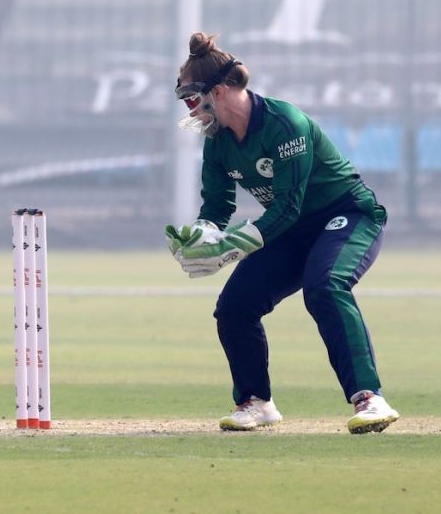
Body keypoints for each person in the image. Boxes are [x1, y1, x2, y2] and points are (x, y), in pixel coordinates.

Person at [164, 32, 399, 435]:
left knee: (324, 286)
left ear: (218, 92)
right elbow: (218, 208)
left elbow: (288, 205)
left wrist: (233, 246)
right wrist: (202, 235)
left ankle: (369, 398)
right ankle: (256, 402)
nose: (191, 111)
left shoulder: (284, 124)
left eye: (192, 99)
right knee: (235, 306)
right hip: (291, 230)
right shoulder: (218, 144)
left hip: (346, 215)